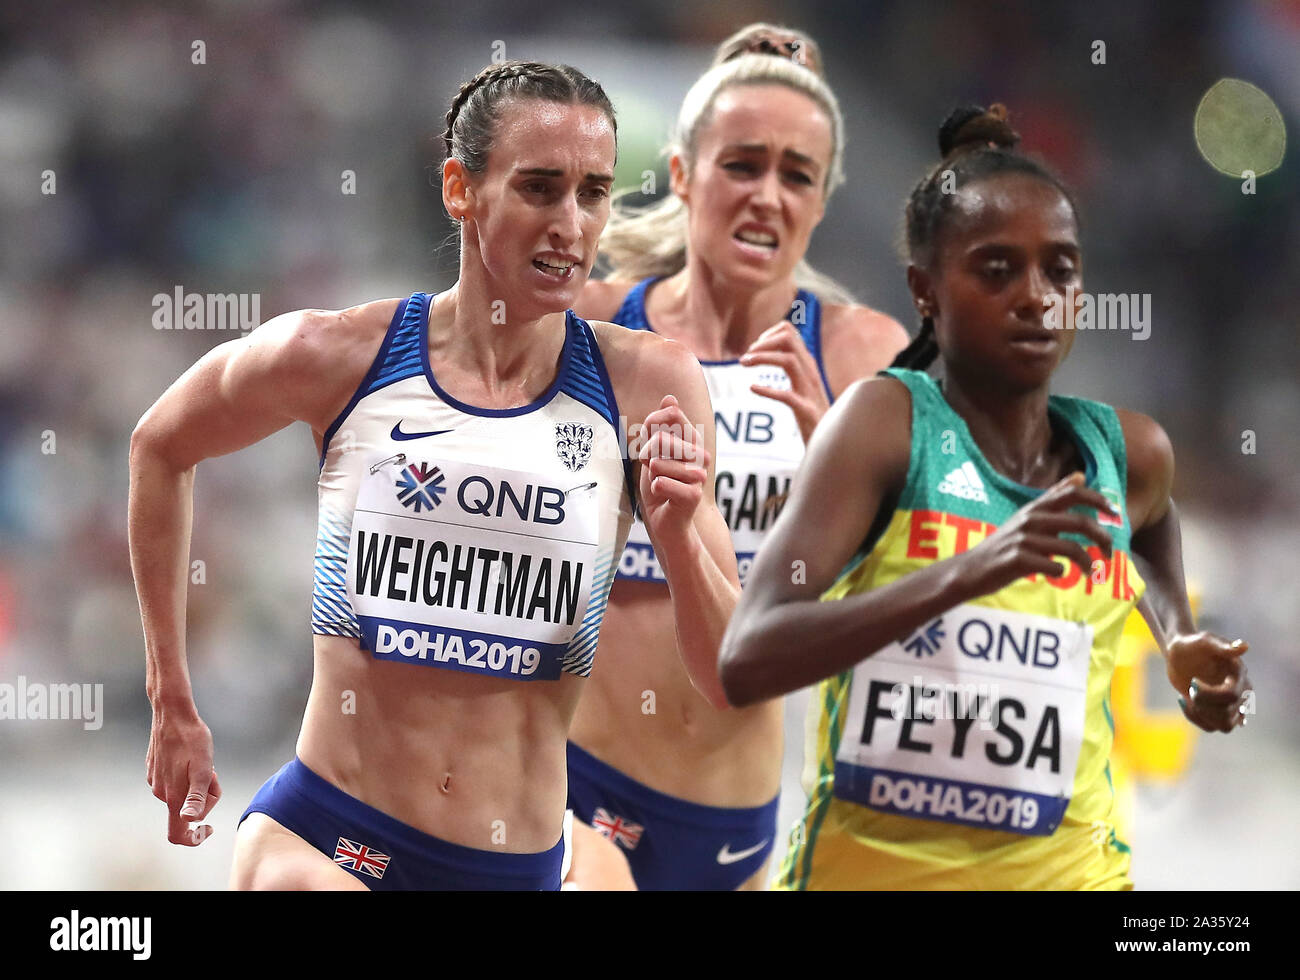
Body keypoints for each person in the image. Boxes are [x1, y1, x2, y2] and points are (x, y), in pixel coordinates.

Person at [128, 60, 740, 891]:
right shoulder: (339, 356)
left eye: (592, 193)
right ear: (460, 188)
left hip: (522, 862)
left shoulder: (647, 386)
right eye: (539, 187)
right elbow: (161, 447)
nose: (570, 223)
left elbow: (730, 676)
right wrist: (171, 701)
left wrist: (675, 540)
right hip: (329, 839)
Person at [718, 104, 1253, 890]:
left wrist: (1174, 636)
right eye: (997, 271)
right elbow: (748, 657)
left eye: (1061, 270)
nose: (1037, 297)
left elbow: (1151, 525)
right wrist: (968, 573)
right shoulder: (882, 427)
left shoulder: (1129, 454)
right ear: (926, 291)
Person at [566, 37, 907, 890]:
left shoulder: (862, 353)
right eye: (742, 164)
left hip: (729, 825)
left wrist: (838, 457)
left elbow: (910, 599)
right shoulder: (592, 325)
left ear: (822, 202)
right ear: (683, 174)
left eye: (797, 174)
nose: (766, 195)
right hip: (568, 786)